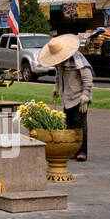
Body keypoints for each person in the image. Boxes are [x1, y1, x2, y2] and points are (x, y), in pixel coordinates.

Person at [38, 33, 92, 161]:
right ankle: (73, 149)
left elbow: (87, 77)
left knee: (80, 124)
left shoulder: (77, 58)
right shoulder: (60, 61)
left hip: (79, 97)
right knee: (69, 124)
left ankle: (82, 151)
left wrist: (85, 94)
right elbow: (59, 75)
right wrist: (56, 87)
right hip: (67, 97)